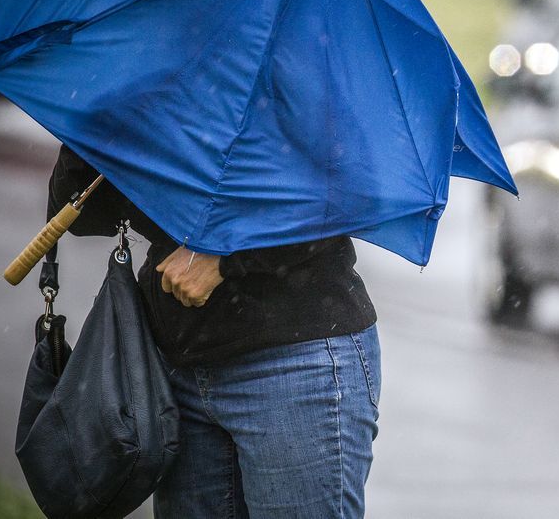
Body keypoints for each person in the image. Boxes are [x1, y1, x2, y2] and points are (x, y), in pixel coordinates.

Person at [48, 145, 380, 519]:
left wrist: (228, 256)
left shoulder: (310, 89)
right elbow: (86, 214)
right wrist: (92, 117)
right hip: (178, 366)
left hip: (297, 363)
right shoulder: (156, 88)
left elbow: (346, 193)